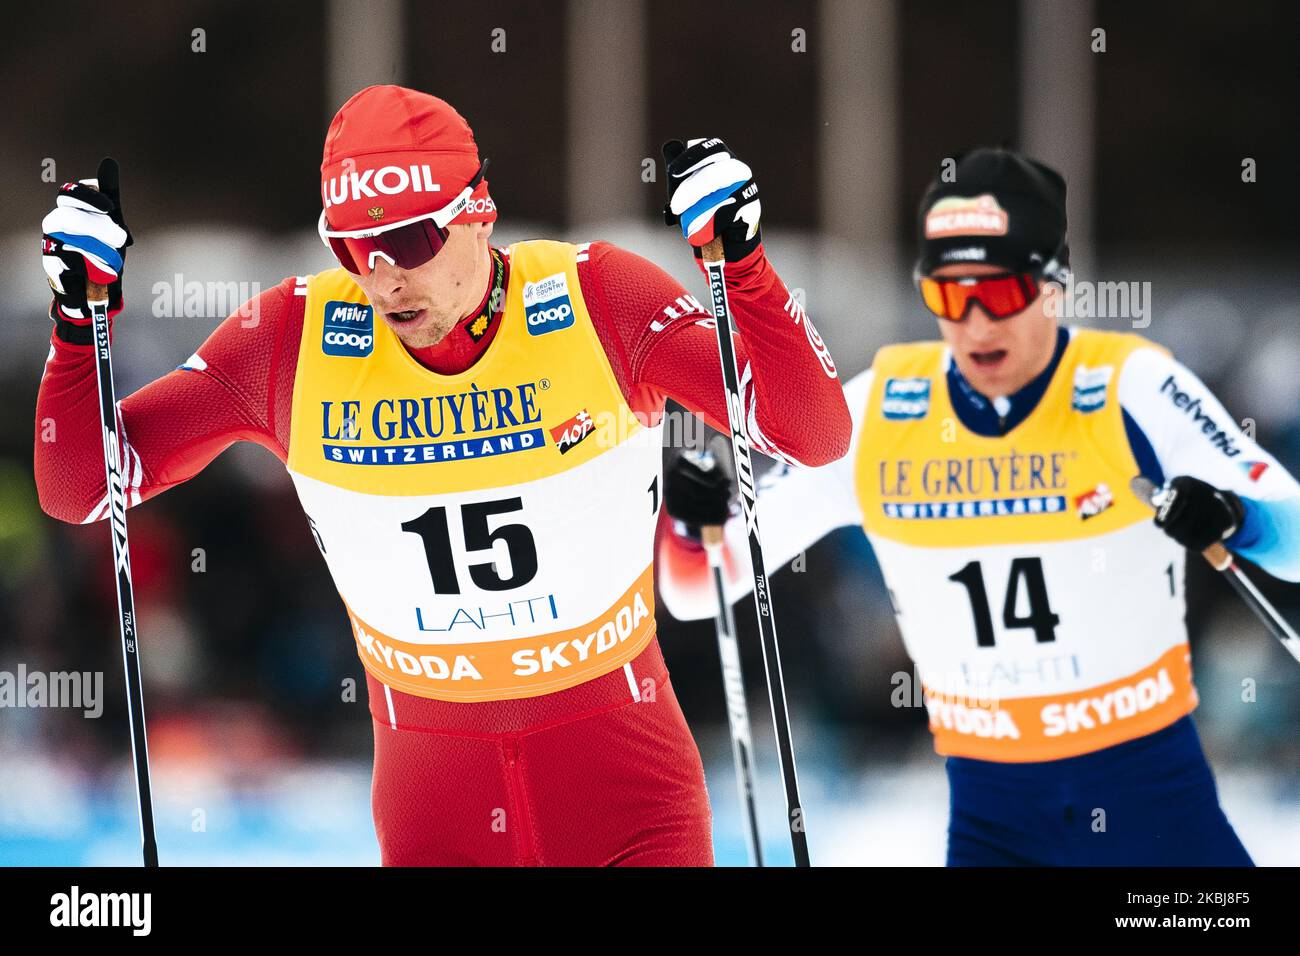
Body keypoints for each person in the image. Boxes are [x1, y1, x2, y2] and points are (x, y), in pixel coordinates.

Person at [34, 85, 852, 866]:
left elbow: (811, 431)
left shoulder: (600, 299)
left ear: (477, 213)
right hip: (438, 816)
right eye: (350, 247)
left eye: (410, 242)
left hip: (625, 796)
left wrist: (741, 264)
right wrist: (77, 324)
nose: (383, 276)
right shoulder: (292, 339)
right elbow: (82, 488)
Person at [658, 147, 1300, 866]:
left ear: (1052, 286)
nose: (973, 325)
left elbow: (1294, 534)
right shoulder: (881, 412)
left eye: (996, 294)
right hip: (995, 819)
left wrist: (1236, 519)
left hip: (1150, 801)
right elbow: (694, 590)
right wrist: (689, 518)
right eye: (946, 295)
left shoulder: (1130, 387)